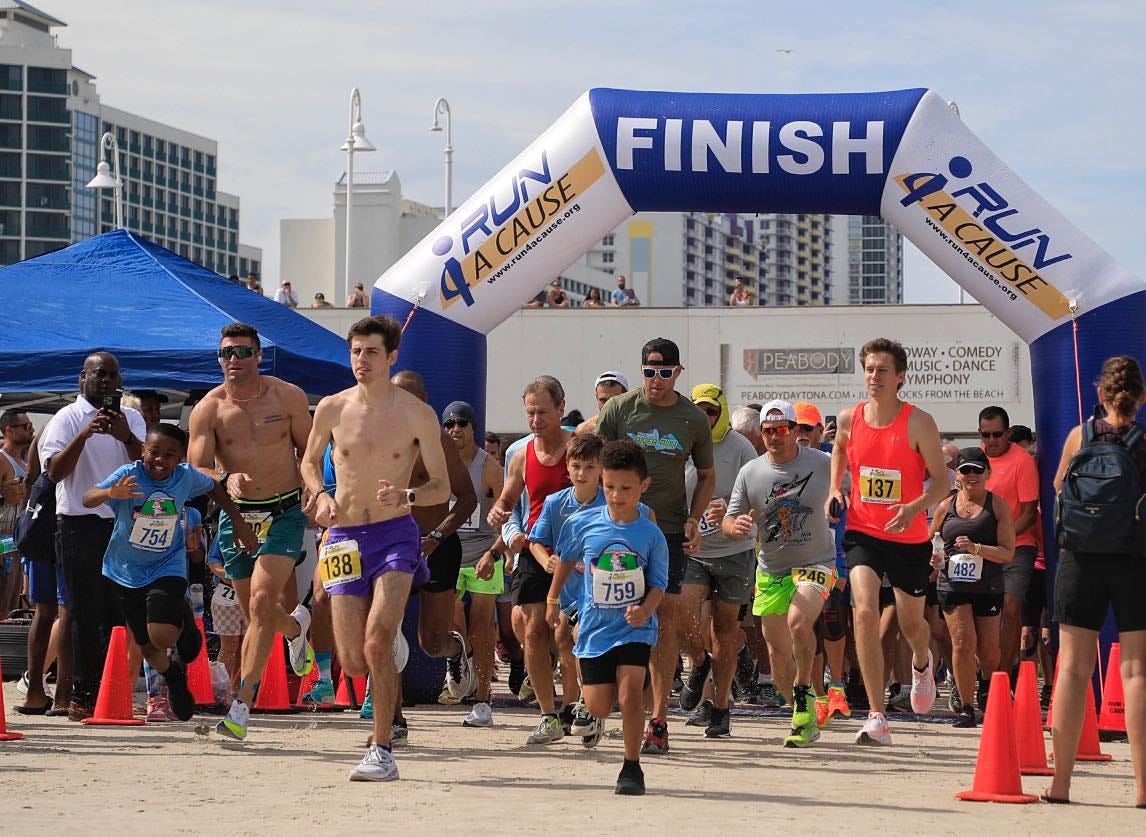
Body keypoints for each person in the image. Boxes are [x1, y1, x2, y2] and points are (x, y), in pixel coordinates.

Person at [301, 315, 451, 781]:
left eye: (370, 352)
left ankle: (382, 749)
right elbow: (308, 462)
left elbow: (441, 487)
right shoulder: (331, 408)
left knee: (376, 639)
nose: (361, 360)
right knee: (351, 659)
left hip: (395, 535)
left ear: (391, 357)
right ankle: (383, 649)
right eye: (355, 351)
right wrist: (321, 495)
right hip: (343, 537)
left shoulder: (417, 414)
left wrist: (407, 496)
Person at [188, 323, 314, 742]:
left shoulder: (287, 396)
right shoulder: (209, 408)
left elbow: (310, 452)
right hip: (236, 516)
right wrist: (225, 477)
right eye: (226, 353)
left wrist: (315, 489)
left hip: (284, 512)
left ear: (259, 355)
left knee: (261, 601)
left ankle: (241, 705)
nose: (234, 360)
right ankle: (294, 629)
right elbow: (196, 466)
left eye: (243, 352)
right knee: (255, 612)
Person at [82, 424, 258, 721]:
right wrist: (110, 492)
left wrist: (237, 521)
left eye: (170, 454)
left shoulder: (185, 476)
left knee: (162, 636)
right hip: (124, 570)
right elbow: (87, 497)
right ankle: (174, 677)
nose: (160, 460)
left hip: (167, 564)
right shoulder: (130, 474)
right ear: (143, 451)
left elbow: (214, 486)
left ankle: (183, 618)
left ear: (180, 458)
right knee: (149, 648)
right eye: (154, 452)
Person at [826, 337, 949, 746]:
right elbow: (839, 451)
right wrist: (835, 488)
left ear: (900, 377)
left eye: (882, 370)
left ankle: (921, 663)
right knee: (863, 610)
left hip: (907, 536)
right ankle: (876, 715)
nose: (874, 376)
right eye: (869, 369)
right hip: (863, 530)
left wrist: (914, 508)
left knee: (912, 623)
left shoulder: (919, 422)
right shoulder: (850, 418)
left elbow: (942, 482)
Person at [596, 337, 715, 754]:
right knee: (614, 612)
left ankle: (659, 718)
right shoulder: (619, 409)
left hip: (667, 530)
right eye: (650, 371)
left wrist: (694, 519)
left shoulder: (692, 418)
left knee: (664, 618)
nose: (657, 379)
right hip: (620, 528)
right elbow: (597, 464)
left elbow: (707, 475)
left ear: (678, 372)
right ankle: (605, 703)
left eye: (665, 372)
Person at [1047, 355, 1146, 806]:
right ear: (1140, 397)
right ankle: (1143, 788)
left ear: (1099, 394)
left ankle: (1061, 784)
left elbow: (1058, 486)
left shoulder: (1079, 436)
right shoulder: (1143, 442)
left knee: (1072, 668)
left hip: (1080, 560)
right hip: (1134, 559)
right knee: (1136, 671)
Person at [547, 439, 668, 795]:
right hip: (595, 628)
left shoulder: (650, 532)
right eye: (610, 487)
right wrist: (552, 599)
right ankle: (598, 703)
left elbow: (658, 583)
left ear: (644, 486)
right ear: (602, 481)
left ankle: (631, 767)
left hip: (635, 627)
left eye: (626, 488)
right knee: (599, 705)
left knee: (630, 694)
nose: (616, 496)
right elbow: (566, 559)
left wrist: (645, 609)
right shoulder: (582, 523)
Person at [39, 352, 146, 720]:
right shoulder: (66, 418)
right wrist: (85, 435)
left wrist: (126, 436)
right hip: (79, 526)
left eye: (113, 374)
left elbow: (150, 466)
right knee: (84, 613)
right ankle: (82, 695)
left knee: (119, 612)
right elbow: (54, 473)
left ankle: (111, 693)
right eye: (99, 374)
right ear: (81, 378)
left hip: (123, 525)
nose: (107, 381)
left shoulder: (131, 418)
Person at [725, 400, 837, 747]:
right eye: (768, 431)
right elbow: (729, 520)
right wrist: (736, 526)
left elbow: (851, 488)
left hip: (817, 562)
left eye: (782, 429)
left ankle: (804, 690)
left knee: (799, 623)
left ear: (795, 430)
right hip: (772, 569)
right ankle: (803, 714)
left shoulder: (823, 463)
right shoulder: (751, 472)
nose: (775, 437)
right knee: (777, 660)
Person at [488, 377, 573, 744]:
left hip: (578, 552)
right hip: (536, 550)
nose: (536, 420)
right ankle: (548, 714)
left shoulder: (579, 447)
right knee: (533, 629)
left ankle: (576, 707)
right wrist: (499, 512)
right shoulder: (521, 455)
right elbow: (507, 500)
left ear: (561, 408)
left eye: (543, 412)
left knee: (567, 634)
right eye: (530, 413)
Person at [388, 371, 478, 715]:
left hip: (436, 546)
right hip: (392, 547)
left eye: (411, 398)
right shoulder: (377, 437)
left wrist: (438, 535)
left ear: (425, 402)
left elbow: (468, 499)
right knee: (386, 629)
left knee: (432, 643)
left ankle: (455, 651)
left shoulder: (438, 441)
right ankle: (391, 714)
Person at [678, 384, 758, 739]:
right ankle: (698, 663)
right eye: (699, 410)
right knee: (682, 615)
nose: (705, 417)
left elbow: (758, 494)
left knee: (725, 632)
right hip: (693, 549)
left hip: (734, 549)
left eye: (711, 411)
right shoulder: (682, 442)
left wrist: (730, 509)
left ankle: (721, 708)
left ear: (722, 412)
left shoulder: (740, 447)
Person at [529, 434, 611, 746]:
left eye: (589, 467)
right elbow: (535, 541)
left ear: (601, 469)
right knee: (564, 641)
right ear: (567, 467)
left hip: (600, 591)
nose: (582, 473)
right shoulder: (555, 503)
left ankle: (590, 706)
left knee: (579, 638)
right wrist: (546, 560)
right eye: (576, 466)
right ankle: (575, 705)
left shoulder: (610, 502)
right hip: (567, 591)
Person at [928, 447, 1014, 727]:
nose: (971, 475)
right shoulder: (946, 506)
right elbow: (929, 542)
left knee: (988, 652)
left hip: (987, 586)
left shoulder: (997, 506)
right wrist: (934, 559)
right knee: (963, 642)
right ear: (958, 475)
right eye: (966, 470)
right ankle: (966, 707)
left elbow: (1007, 552)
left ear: (988, 473)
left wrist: (977, 548)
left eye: (978, 469)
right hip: (952, 585)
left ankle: (986, 685)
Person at [445, 401, 504, 728]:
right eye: (450, 424)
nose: (456, 429)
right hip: (449, 553)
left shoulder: (489, 467)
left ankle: (483, 699)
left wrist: (494, 553)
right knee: (450, 621)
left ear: (473, 428)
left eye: (462, 423)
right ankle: (461, 659)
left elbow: (511, 516)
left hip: (483, 551)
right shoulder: (438, 464)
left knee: (483, 626)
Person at [793, 401, 852, 727]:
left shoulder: (834, 462)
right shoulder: (784, 462)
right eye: (796, 427)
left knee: (832, 617)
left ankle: (837, 686)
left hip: (833, 553)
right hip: (800, 555)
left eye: (807, 428)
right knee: (809, 625)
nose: (800, 434)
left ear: (819, 430)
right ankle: (818, 696)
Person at [978, 405, 1041, 680]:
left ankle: (1003, 678)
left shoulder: (1023, 462)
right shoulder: (976, 460)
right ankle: (984, 675)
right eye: (986, 435)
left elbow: (1029, 513)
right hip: (980, 549)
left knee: (1011, 608)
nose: (992, 440)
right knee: (979, 613)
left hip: (1018, 545)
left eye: (997, 434)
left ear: (1009, 432)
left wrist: (1003, 539)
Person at [0, 410, 31, 614]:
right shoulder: (2, 460)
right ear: (9, 430)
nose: (31, 429)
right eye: (26, 426)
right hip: (2, 539)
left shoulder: (24, 463)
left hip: (15, 539)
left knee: (10, 606)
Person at [576, 371, 628, 436]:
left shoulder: (637, 426)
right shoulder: (584, 431)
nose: (608, 405)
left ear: (626, 397)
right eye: (603, 400)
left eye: (614, 401)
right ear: (597, 397)